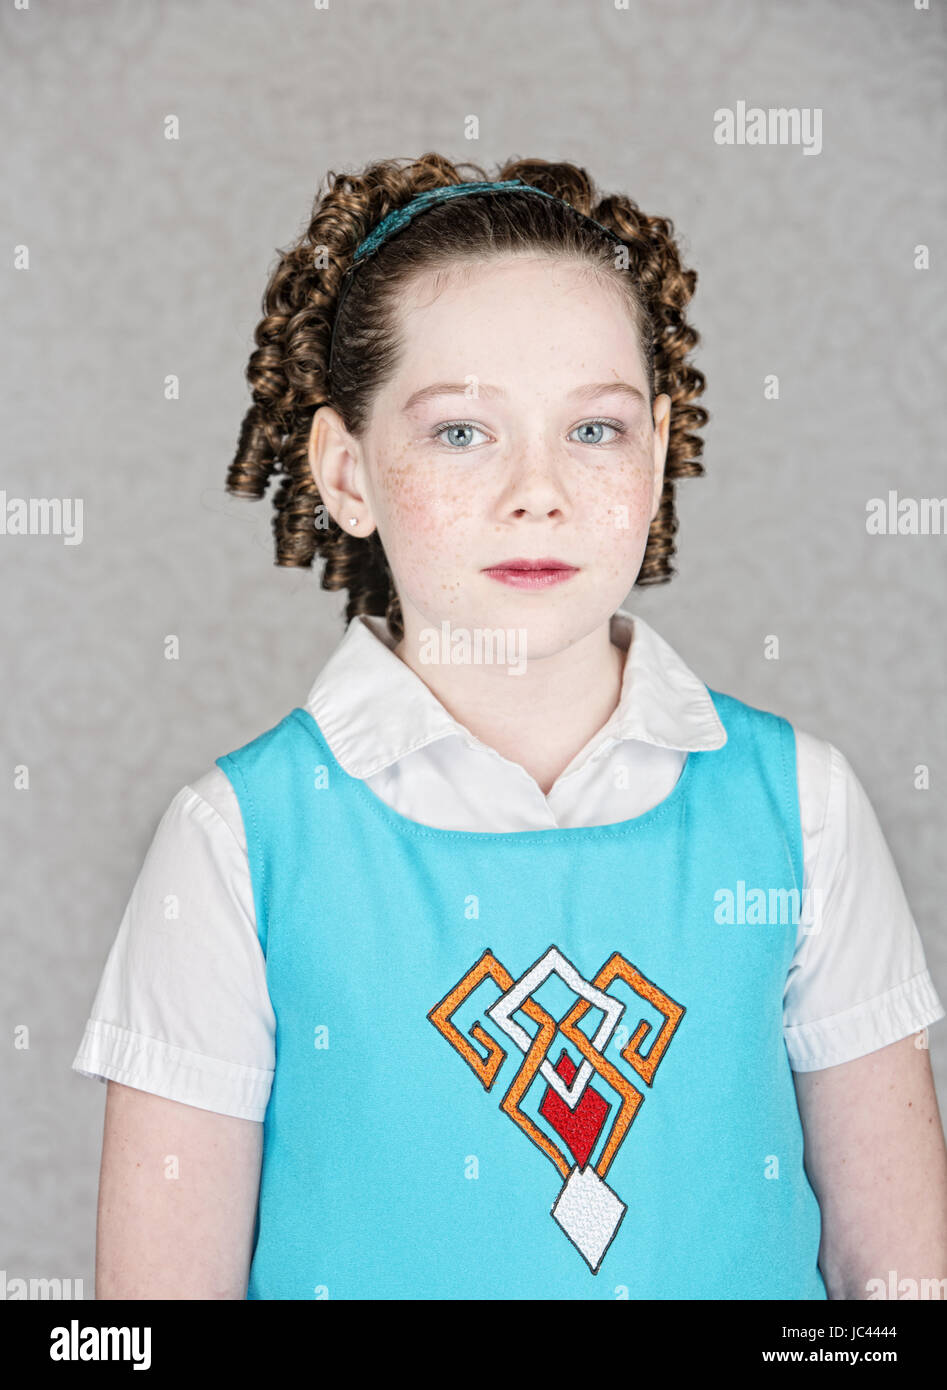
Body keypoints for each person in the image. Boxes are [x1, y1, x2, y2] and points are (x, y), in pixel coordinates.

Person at [72, 152, 947, 1300]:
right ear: (343, 472)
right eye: (459, 433)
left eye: (592, 430)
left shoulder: (802, 809)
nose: (536, 490)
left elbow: (896, 1290)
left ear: (656, 448)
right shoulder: (237, 843)